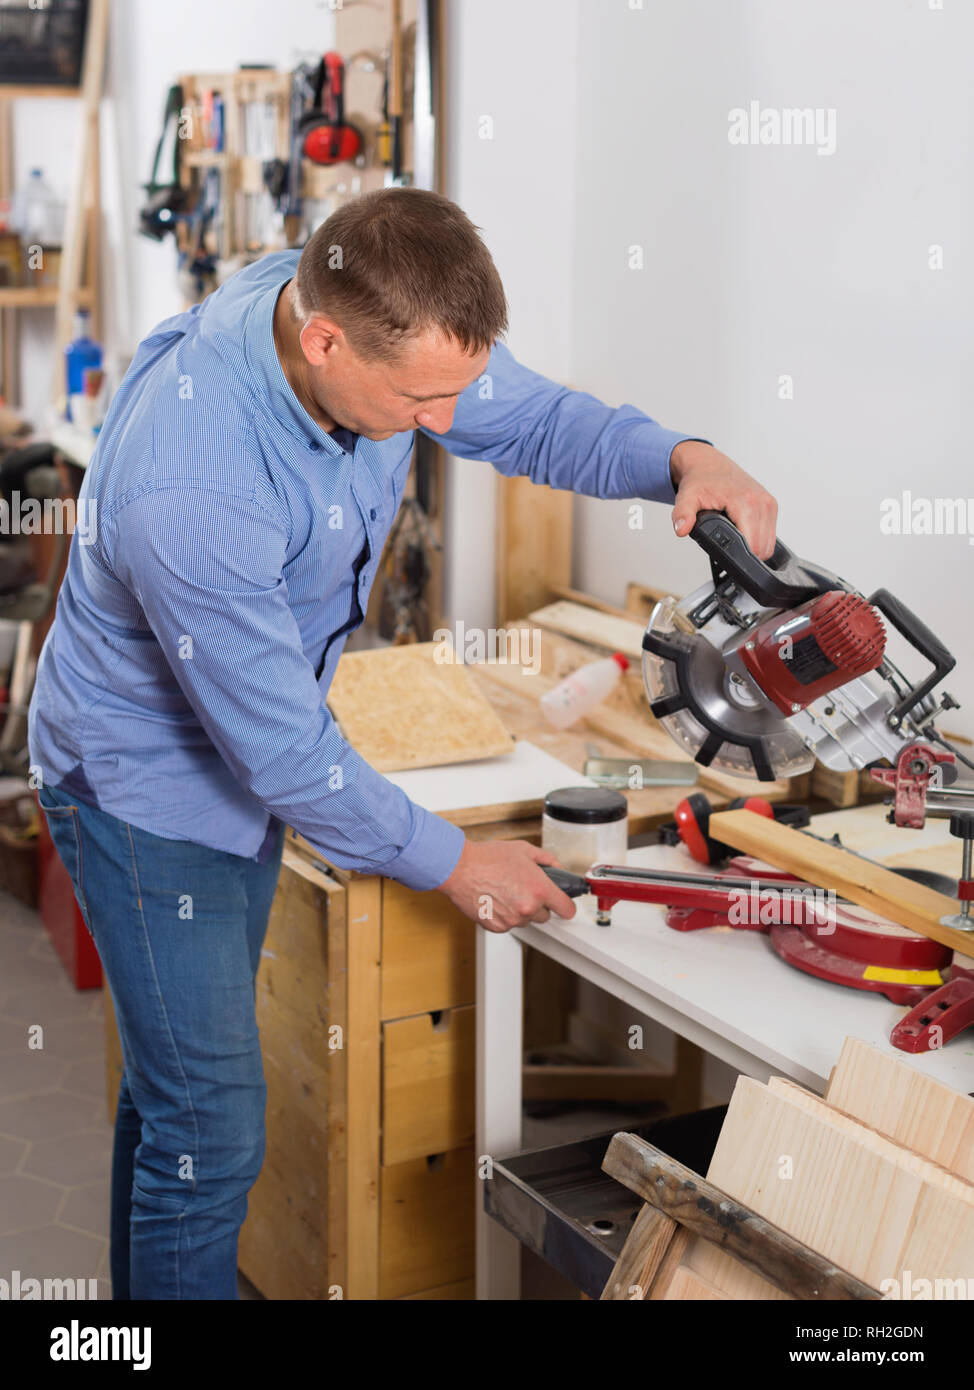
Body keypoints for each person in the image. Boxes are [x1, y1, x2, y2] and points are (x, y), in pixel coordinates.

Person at [28, 187, 777, 1299]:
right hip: (142, 790)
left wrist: (686, 457)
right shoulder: (191, 481)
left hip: (234, 760)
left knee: (171, 1094)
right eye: (420, 399)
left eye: (454, 388)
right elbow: (280, 751)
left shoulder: (358, 299)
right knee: (214, 1125)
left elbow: (530, 419)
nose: (445, 420)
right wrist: (455, 862)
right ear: (322, 338)